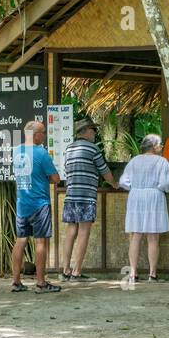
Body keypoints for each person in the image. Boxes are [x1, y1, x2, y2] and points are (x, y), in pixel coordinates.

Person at [60, 117, 117, 280]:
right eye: (93, 129)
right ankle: (77, 272)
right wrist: (114, 184)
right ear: (84, 131)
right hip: (86, 196)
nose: (95, 132)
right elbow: (105, 172)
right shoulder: (93, 149)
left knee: (71, 231)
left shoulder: (69, 149)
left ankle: (65, 271)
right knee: (84, 232)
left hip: (70, 196)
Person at [10, 120, 61, 294]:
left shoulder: (17, 151)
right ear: (36, 134)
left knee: (21, 240)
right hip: (40, 203)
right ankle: (40, 283)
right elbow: (55, 178)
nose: (45, 135)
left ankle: (16, 282)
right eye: (43, 132)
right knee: (40, 241)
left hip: (22, 203)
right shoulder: (41, 153)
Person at [119, 133, 169, 282]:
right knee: (153, 236)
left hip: (136, 196)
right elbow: (165, 184)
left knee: (136, 235)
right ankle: (152, 274)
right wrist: (163, 189)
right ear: (154, 146)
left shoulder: (133, 161)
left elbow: (123, 182)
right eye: (160, 144)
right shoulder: (162, 162)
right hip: (154, 196)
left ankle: (133, 273)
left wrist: (135, 187)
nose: (162, 146)